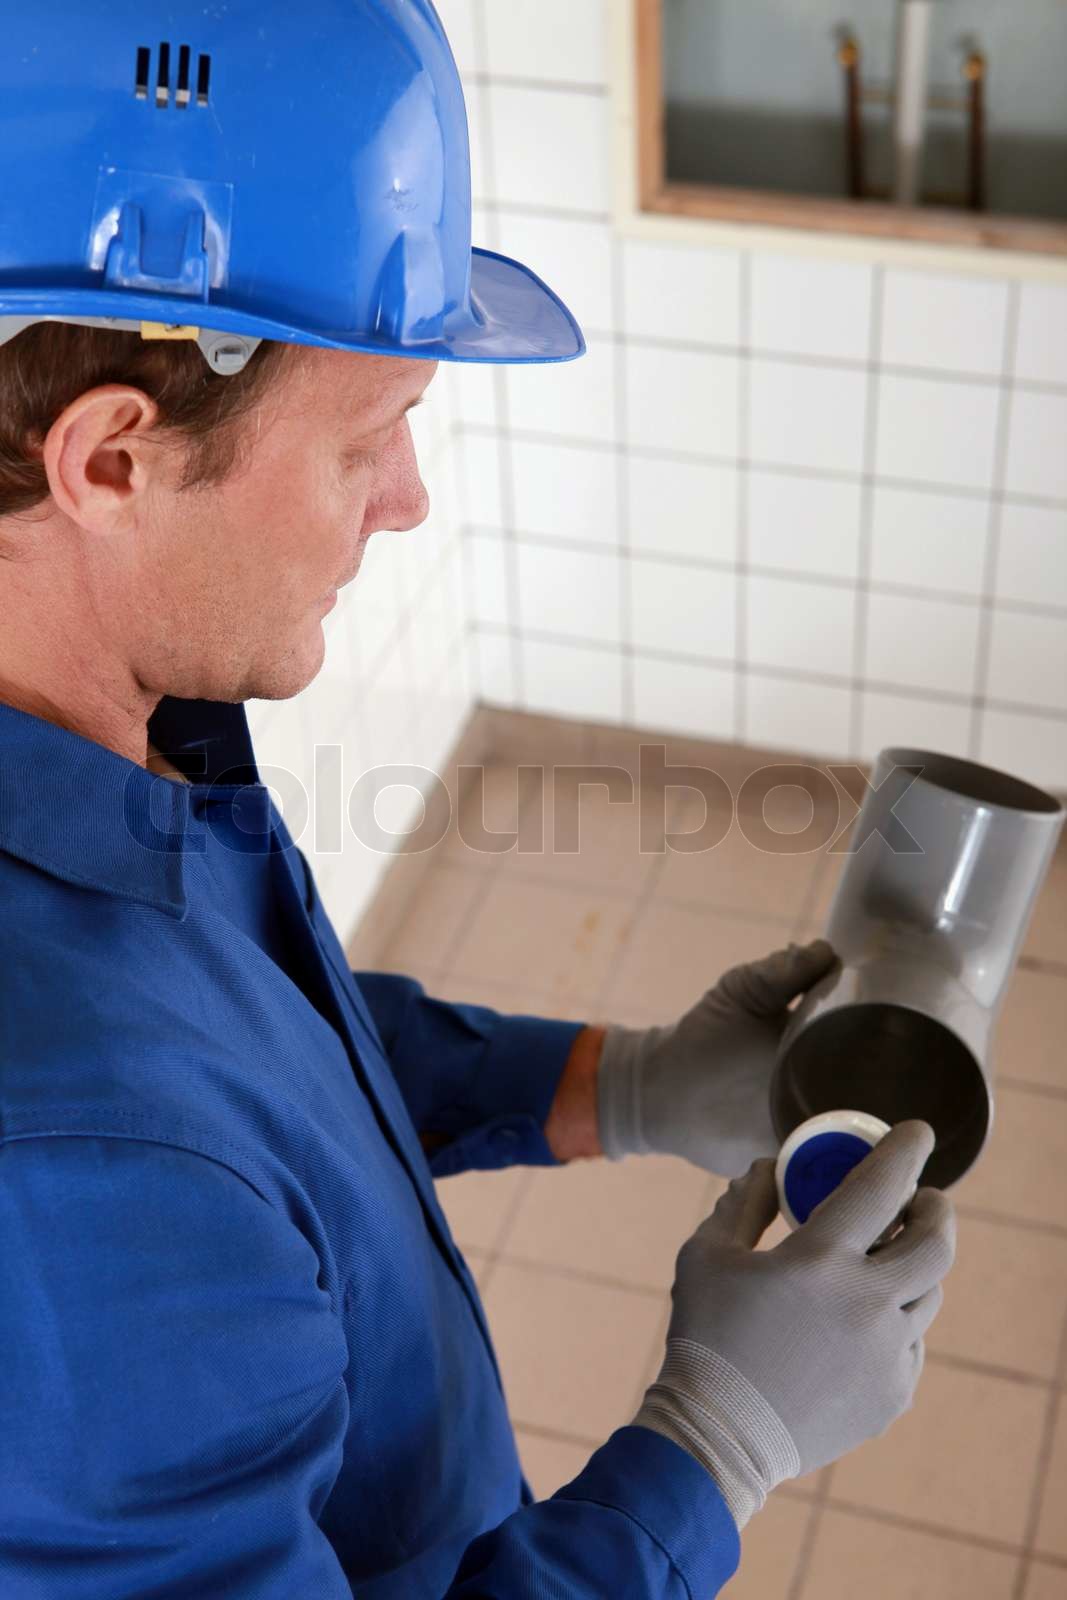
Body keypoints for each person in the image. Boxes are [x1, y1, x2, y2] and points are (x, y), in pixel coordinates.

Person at [0, 3, 956, 1596]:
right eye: (369, 437)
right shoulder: (71, 1175)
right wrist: (712, 1446)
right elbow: (161, 1133)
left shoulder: (123, 739)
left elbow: (249, 1067)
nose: (407, 500)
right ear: (115, 460)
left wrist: (613, 1085)